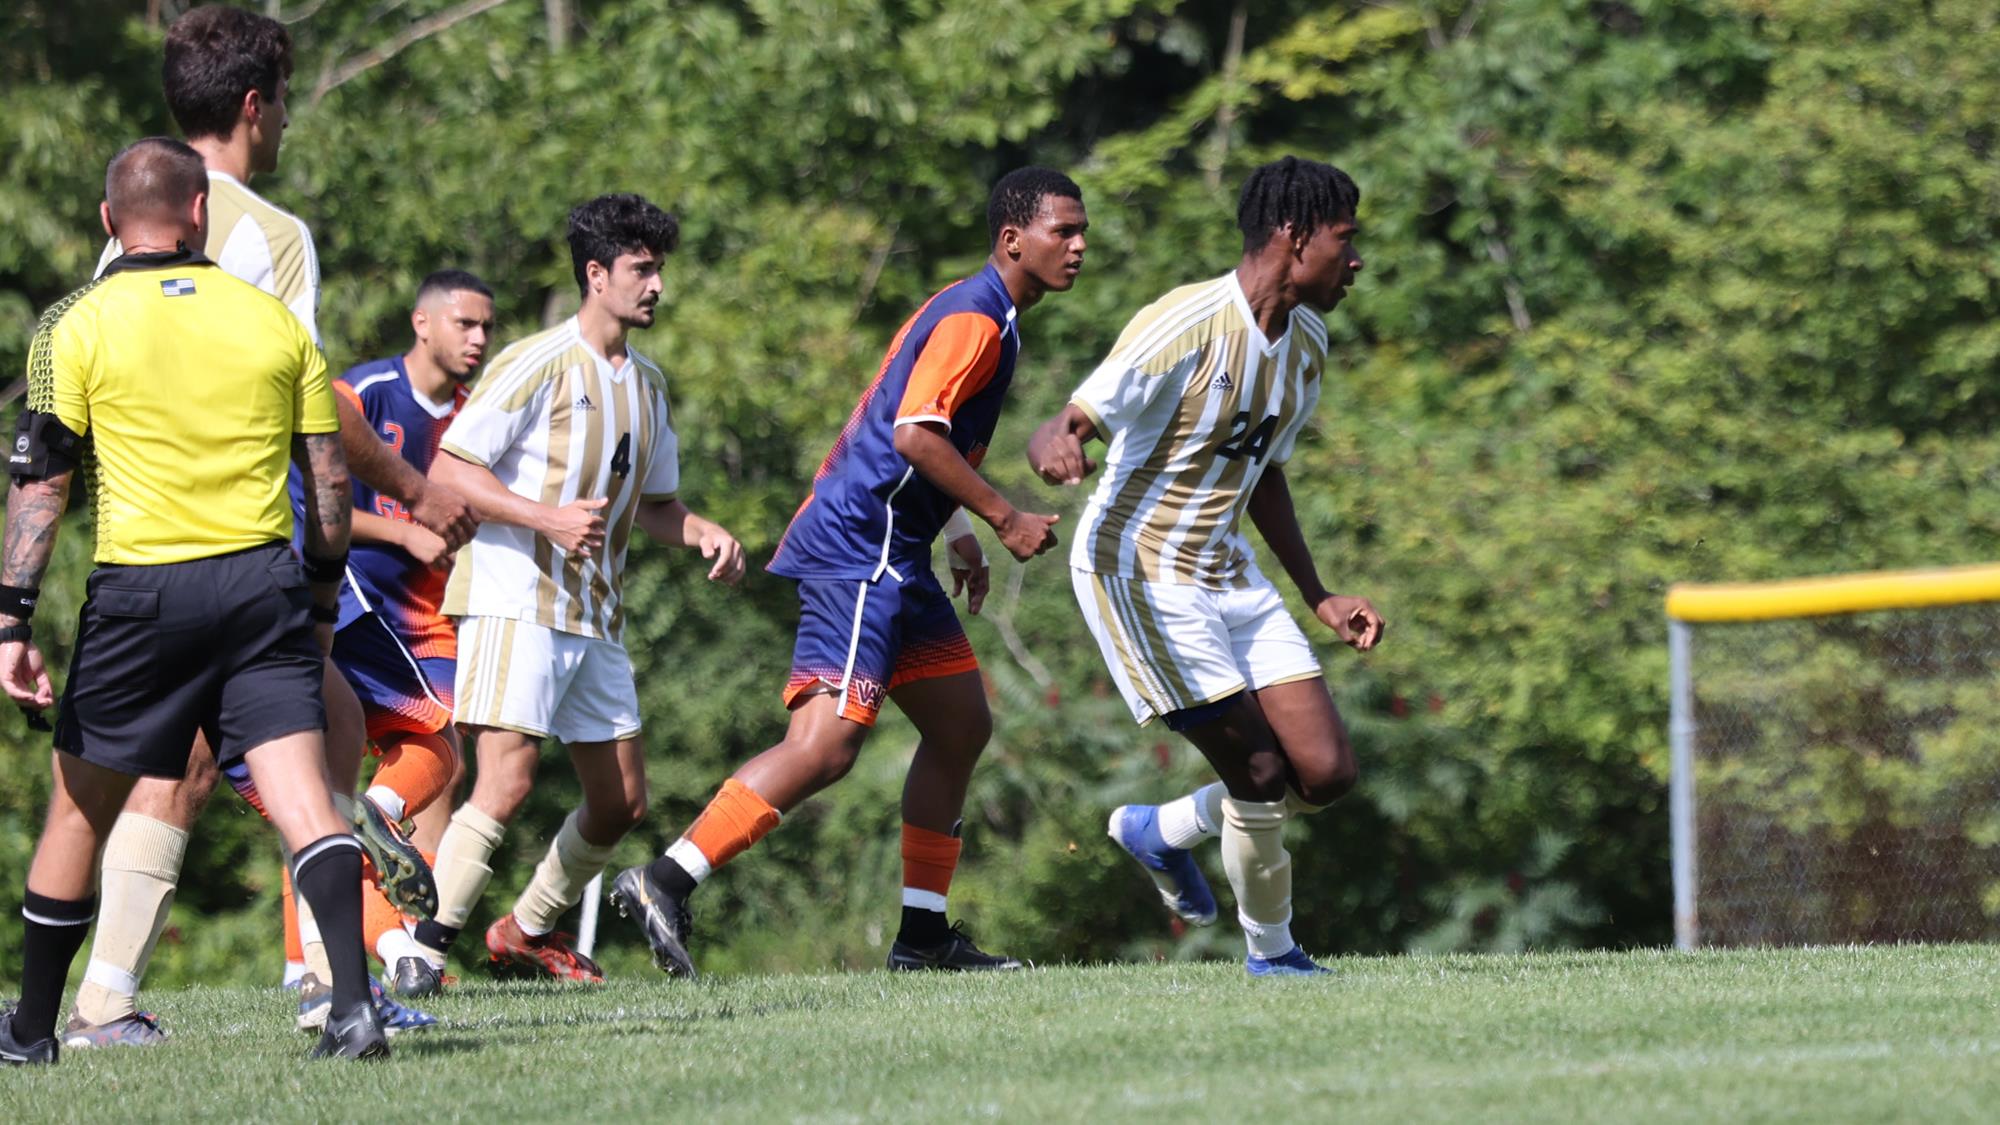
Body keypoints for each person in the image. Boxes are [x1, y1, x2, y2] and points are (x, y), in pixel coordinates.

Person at [70, 3, 470, 1046]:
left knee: (192, 762)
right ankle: (326, 989)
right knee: (319, 736)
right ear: (256, 104)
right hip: (250, 539)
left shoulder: (126, 217)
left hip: (140, 538)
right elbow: (322, 407)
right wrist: (414, 493)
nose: (285, 119)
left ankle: (112, 998)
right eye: (283, 101)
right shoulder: (268, 234)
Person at [608, 167, 1087, 976]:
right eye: (1062, 232)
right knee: (827, 746)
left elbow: (915, 424)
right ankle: (664, 878)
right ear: (1013, 240)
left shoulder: (985, 313)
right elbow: (911, 436)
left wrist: (959, 530)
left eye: (1083, 233)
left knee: (961, 722)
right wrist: (1003, 515)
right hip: (861, 550)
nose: (1079, 247)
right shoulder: (976, 319)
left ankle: (924, 938)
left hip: (895, 554)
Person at [0, 138, 386, 1063]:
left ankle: (30, 1030)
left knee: (79, 809)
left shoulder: (69, 326)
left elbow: (40, 488)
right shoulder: (275, 322)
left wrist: (11, 619)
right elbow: (328, 487)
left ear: (107, 221)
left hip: (140, 595)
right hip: (262, 585)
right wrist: (322, 601)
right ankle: (354, 1008)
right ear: (200, 212)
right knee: (307, 803)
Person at [1026, 156, 1383, 976]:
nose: (1355, 260)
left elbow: (1266, 472)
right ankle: (1274, 954)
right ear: (1294, 239)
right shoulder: (1185, 321)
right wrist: (1058, 444)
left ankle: (1159, 831)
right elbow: (1073, 418)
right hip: (1137, 572)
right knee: (1258, 770)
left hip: (1225, 570)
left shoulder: (1309, 344)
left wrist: (1319, 595)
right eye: (1345, 240)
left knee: (1325, 773)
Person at [415, 193, 745, 982]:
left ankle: (523, 930)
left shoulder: (650, 385)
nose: (657, 285)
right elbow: (449, 471)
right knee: (507, 777)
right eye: (641, 269)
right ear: (597, 275)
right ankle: (421, 951)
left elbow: (656, 506)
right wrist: (546, 518)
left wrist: (701, 529)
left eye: (659, 268)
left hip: (593, 613)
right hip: (513, 595)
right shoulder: (538, 359)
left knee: (622, 801)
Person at [270, 270, 494, 1006]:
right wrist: (404, 524)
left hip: (433, 611)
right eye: (465, 323)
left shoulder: (477, 413)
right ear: (421, 323)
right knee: (404, 755)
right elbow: (316, 503)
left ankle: (368, 948)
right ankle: (333, 937)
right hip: (357, 596)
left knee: (354, 774)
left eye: (487, 327)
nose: (479, 339)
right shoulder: (361, 395)